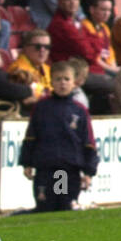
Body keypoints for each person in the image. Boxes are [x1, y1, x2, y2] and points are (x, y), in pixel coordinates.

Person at [19, 60, 99, 212]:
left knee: (63, 208)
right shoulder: (42, 107)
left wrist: (89, 171)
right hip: (45, 168)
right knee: (44, 208)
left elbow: (88, 142)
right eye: (58, 79)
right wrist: (26, 162)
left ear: (74, 82)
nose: (62, 83)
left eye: (66, 79)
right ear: (51, 82)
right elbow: (31, 136)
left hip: (66, 170)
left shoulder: (79, 110)